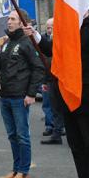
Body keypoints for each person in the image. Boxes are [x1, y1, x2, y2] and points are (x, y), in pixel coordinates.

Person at [29, 7, 89, 178]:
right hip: (67, 93)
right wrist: (35, 35)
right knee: (75, 144)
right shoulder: (68, 28)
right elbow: (52, 49)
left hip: (87, 94)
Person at [0, 9, 44, 178]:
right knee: (12, 135)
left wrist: (31, 94)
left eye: (13, 19)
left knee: (22, 135)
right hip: (6, 95)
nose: (9, 22)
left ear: (22, 23)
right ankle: (16, 169)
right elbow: (1, 63)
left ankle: (24, 172)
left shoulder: (26, 43)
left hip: (19, 96)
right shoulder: (8, 42)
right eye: (9, 19)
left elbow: (38, 68)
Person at [39, 17, 65, 145]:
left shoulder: (61, 39)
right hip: (50, 78)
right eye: (48, 27)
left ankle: (62, 130)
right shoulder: (46, 41)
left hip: (62, 78)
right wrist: (44, 81)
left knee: (63, 107)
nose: (49, 30)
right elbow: (45, 62)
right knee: (53, 107)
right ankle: (56, 133)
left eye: (52, 27)